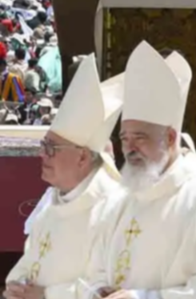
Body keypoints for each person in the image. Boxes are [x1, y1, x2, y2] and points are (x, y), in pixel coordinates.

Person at [94, 42, 196, 299]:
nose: (129, 149)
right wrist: (97, 290)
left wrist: (142, 298)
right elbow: (97, 267)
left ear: (169, 138)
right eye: (124, 138)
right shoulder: (124, 199)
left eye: (140, 137)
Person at [5, 55, 124, 299]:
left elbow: (113, 289)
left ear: (82, 157)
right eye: (43, 145)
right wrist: (17, 285)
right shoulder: (54, 202)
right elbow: (30, 261)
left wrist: (47, 295)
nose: (42, 154)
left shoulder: (114, 210)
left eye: (52, 148)